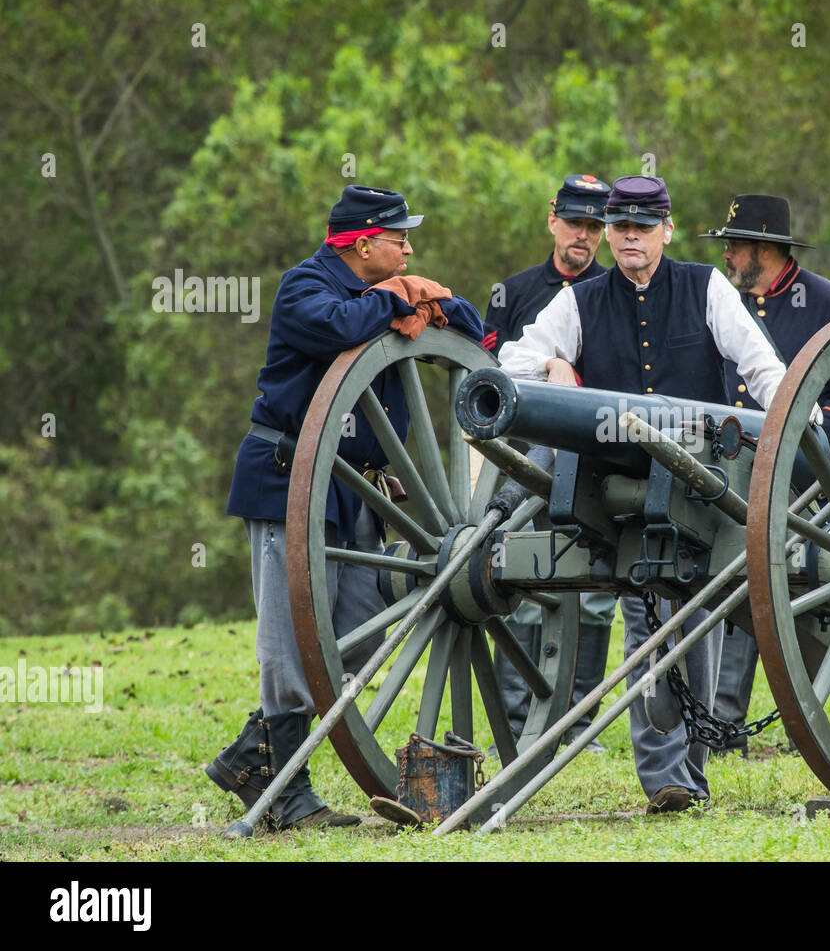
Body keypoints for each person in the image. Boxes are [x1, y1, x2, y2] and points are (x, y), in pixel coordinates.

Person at [498, 175, 787, 812]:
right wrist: (551, 367)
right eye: (620, 227)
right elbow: (511, 364)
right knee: (646, 619)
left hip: (702, 479)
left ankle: (691, 769)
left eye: (643, 227)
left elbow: (759, 365)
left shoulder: (705, 286)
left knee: (698, 624)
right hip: (618, 486)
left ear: (667, 229)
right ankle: (667, 780)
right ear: (608, 231)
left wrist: (799, 424)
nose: (630, 238)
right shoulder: (579, 302)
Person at [209, 185, 484, 829]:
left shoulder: (384, 289)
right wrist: (394, 296)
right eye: (400, 239)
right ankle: (284, 790)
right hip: (289, 481)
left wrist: (431, 298)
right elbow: (338, 328)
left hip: (358, 486)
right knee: (290, 639)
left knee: (357, 636)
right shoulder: (305, 286)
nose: (410, 249)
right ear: (363, 244)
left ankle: (251, 756)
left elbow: (471, 329)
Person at [697, 193, 830, 754]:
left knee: (787, 585)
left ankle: (810, 715)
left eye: (734, 245)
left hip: (807, 476)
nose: (726, 255)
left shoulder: (824, 302)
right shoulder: (724, 302)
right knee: (733, 579)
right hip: (731, 470)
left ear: (764, 248)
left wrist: (812, 454)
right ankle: (723, 723)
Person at [483, 173, 621, 750]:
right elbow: (486, 380)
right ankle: (516, 722)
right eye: (575, 224)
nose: (583, 237)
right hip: (523, 464)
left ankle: (577, 721)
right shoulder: (510, 294)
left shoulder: (616, 294)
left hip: (595, 462)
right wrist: (547, 368)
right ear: (552, 220)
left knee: (589, 595)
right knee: (518, 581)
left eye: (594, 227)